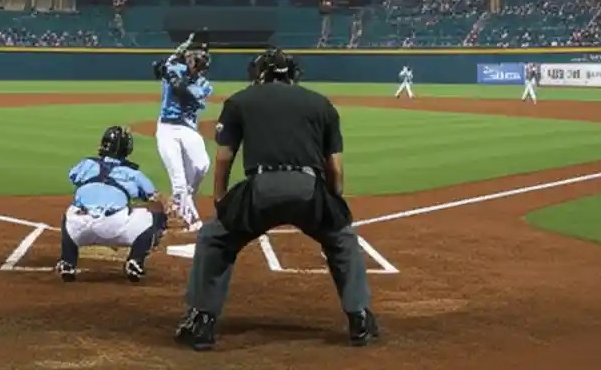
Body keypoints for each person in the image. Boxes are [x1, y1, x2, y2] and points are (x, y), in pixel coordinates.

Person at [174, 47, 378, 351]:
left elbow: (223, 158)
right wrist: (333, 206)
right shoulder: (321, 104)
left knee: (215, 239)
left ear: (260, 73)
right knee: (342, 240)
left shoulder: (240, 100)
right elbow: (335, 167)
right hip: (310, 189)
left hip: (261, 188)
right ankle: (359, 317)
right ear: (292, 74)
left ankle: (201, 321)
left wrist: (221, 200)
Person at [55, 125, 169, 282]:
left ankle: (68, 262)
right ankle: (135, 260)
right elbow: (154, 198)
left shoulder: (86, 164)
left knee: (71, 211)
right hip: (115, 227)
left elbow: (73, 176)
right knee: (156, 215)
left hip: (78, 228)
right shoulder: (134, 174)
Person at [152, 38, 214, 232]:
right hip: (167, 129)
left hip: (188, 129)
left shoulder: (205, 85)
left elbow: (185, 93)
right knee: (178, 179)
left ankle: (182, 199)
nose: (194, 63)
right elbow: (157, 68)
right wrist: (175, 56)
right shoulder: (176, 69)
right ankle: (191, 219)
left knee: (201, 165)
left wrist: (173, 78)